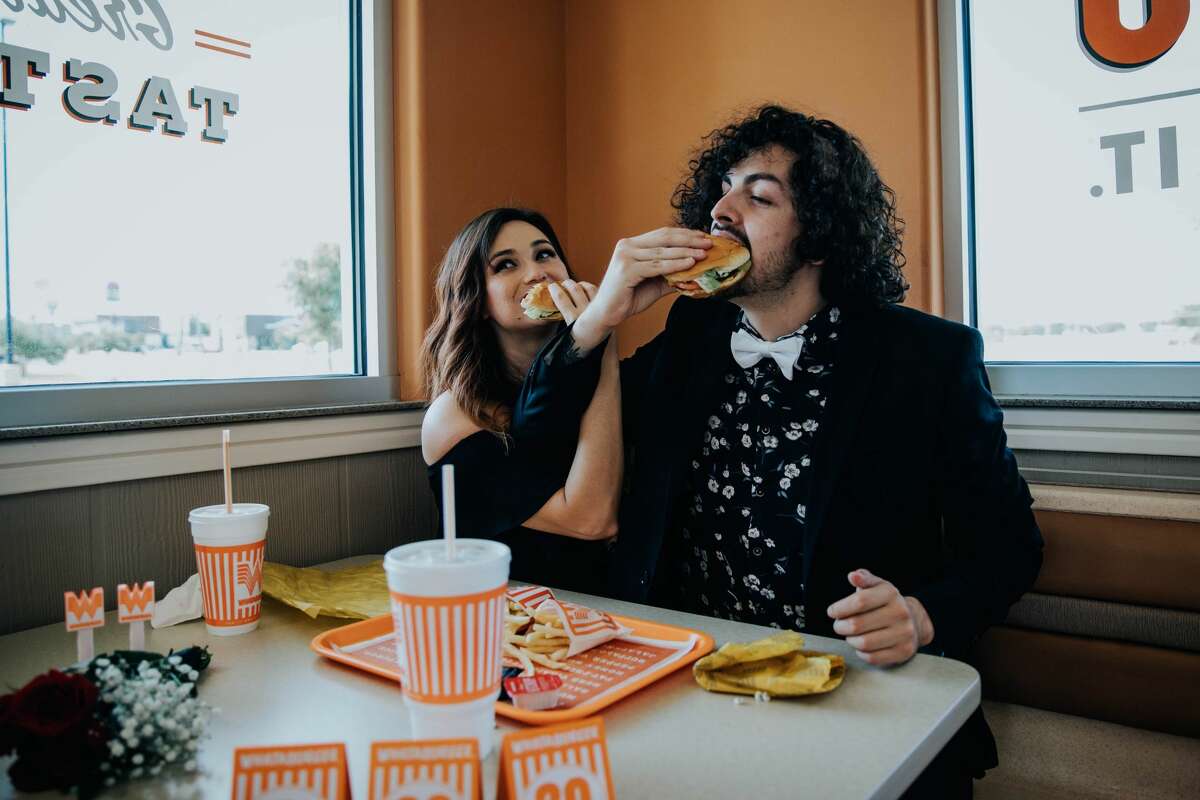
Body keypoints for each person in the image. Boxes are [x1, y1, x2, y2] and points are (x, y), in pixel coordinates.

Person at [512, 106, 1043, 797]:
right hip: (683, 689)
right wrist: (597, 320)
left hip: (852, 697)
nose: (721, 211)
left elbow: (1010, 545)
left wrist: (921, 614)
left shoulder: (927, 360)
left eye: (759, 196)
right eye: (723, 189)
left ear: (818, 233)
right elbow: (541, 444)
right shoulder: (692, 338)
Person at [419, 207, 621, 593]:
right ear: (478, 300)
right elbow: (591, 521)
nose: (536, 273)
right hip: (501, 612)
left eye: (544, 254)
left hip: (609, 607)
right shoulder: (455, 414)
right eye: (506, 264)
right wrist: (602, 342)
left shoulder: (592, 382)